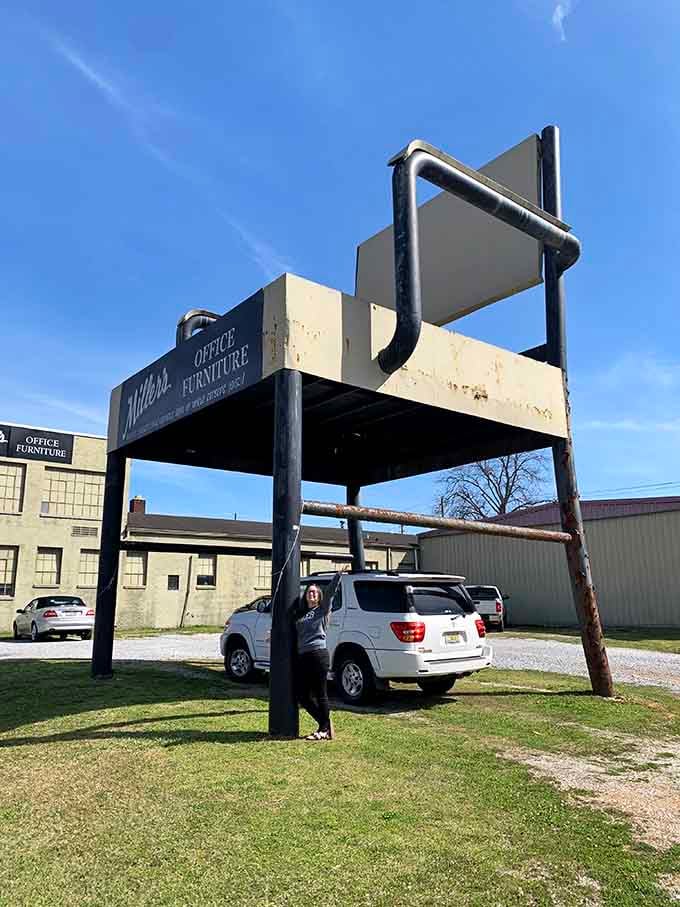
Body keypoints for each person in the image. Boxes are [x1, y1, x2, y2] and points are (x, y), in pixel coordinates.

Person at [293, 572, 343, 741]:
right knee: (302, 695)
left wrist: (337, 576)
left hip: (318, 654)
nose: (312, 593)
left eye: (315, 592)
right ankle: (325, 724)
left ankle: (323, 729)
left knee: (320, 693)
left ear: (319, 596)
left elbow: (330, 593)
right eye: (309, 591)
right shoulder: (300, 614)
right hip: (303, 656)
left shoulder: (322, 610)